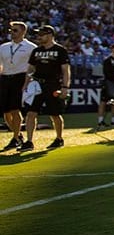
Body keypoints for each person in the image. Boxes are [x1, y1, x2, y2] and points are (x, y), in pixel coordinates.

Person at [19, 25, 71, 152]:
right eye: (38, 34)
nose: (39, 37)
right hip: (37, 85)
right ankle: (29, 141)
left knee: (55, 114)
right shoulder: (36, 51)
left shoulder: (60, 50)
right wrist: (25, 85)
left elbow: (66, 70)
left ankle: (59, 138)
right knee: (31, 113)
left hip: (53, 84)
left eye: (42, 34)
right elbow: (30, 69)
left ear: (50, 35)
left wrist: (65, 87)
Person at [2, 21, 36, 152]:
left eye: (15, 30)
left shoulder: (31, 47)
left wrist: (28, 81)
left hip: (20, 78)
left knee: (15, 109)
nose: (12, 33)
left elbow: (34, 66)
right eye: (11, 30)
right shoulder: (3, 47)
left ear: (23, 32)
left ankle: (15, 138)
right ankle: (18, 135)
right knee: (6, 112)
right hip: (5, 78)